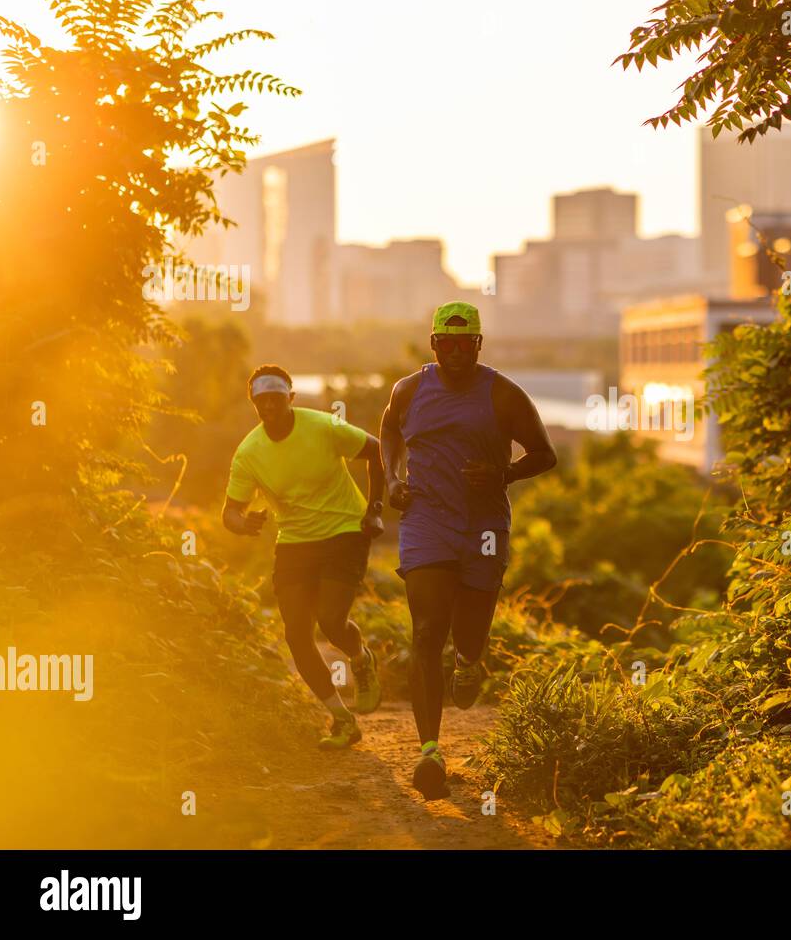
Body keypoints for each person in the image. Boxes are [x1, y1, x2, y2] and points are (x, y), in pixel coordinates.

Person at [380, 302, 556, 799]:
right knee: (427, 632)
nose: (456, 352)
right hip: (426, 521)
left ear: (479, 345)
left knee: (469, 635)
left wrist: (506, 473)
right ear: (433, 345)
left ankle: (471, 661)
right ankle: (430, 752)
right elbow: (390, 429)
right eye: (446, 343)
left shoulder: (503, 395)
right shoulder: (410, 389)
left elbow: (545, 454)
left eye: (466, 344)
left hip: (482, 528)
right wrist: (393, 479)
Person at [222, 365, 385, 751]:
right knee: (296, 633)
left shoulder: (324, 427)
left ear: (290, 398)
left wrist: (375, 507)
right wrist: (243, 523)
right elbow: (230, 512)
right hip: (295, 540)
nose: (269, 407)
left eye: (276, 398)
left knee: (330, 620)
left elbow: (377, 451)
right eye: (261, 401)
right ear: (254, 404)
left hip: (345, 528)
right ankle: (342, 720)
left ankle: (360, 660)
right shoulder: (249, 452)